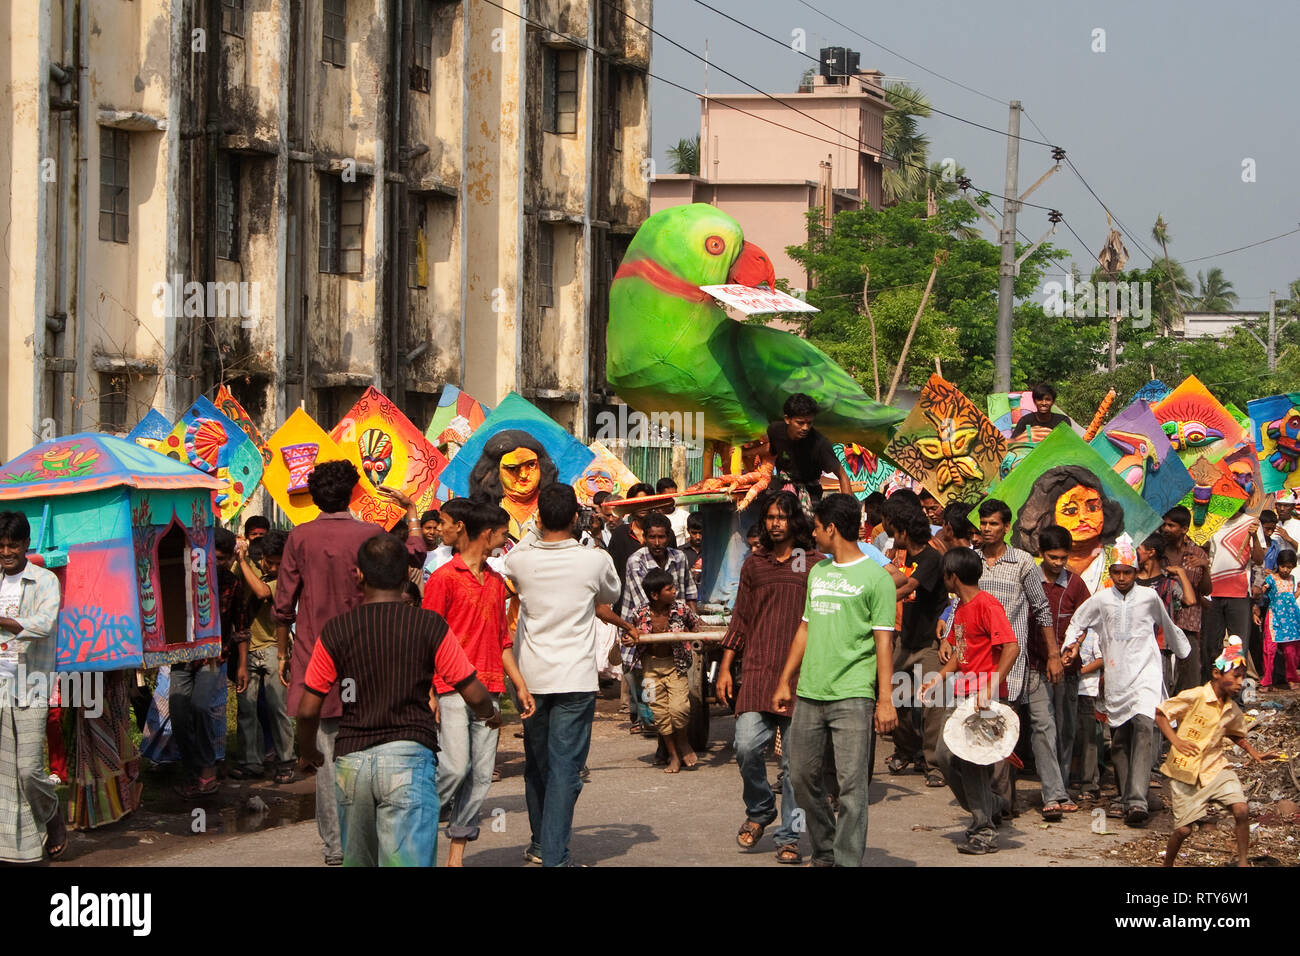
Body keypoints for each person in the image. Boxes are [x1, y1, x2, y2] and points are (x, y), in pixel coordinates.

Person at [296, 535, 498, 867]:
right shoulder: (429, 625)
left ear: (358, 575)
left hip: (352, 762)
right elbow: (471, 689)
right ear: (406, 575)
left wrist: (309, 751)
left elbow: (307, 710)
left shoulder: (335, 630)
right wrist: (489, 714)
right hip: (408, 758)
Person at [274, 460, 425, 866]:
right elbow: (414, 557)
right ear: (354, 493)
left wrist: (283, 653)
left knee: (324, 763)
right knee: (372, 755)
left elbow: (283, 606)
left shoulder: (299, 538)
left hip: (316, 661)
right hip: (371, 659)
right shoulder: (371, 535)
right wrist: (411, 515)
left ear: (315, 497)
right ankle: (373, 844)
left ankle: (336, 850)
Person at [772, 493, 898, 867]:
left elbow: (884, 642)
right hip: (810, 692)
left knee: (852, 787)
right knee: (801, 779)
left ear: (831, 528)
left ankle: (844, 860)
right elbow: (805, 630)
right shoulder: (818, 572)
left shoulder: (877, 579)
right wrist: (785, 680)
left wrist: (885, 699)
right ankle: (824, 847)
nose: (812, 533)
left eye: (816, 526)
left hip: (853, 695)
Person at [503, 484, 621, 867]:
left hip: (530, 680)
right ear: (576, 517)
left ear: (539, 518)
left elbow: (515, 556)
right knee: (564, 770)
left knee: (538, 765)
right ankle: (554, 855)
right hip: (574, 680)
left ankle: (542, 845)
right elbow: (610, 594)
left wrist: (535, 531)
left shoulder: (520, 560)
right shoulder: (595, 560)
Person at [424, 498, 536, 867]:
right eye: (503, 535)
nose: (505, 541)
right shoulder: (443, 579)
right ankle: (411, 815)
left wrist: (519, 684)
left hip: (491, 688)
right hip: (452, 687)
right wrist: (429, 691)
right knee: (455, 767)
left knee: (481, 776)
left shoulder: (494, 582)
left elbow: (502, 640)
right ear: (487, 534)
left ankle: (455, 857)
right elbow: (427, 638)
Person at [718, 491, 823, 865]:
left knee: (795, 768)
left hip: (801, 676)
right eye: (771, 518)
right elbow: (741, 619)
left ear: (796, 522)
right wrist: (725, 668)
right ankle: (761, 809)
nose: (776, 523)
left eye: (783, 517)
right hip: (759, 670)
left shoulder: (812, 564)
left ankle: (790, 834)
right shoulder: (755, 564)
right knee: (746, 747)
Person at [1062, 534, 1190, 828]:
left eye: (1127, 572)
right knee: (1120, 737)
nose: (1121, 577)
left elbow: (1168, 626)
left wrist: (1182, 652)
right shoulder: (1102, 600)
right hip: (1117, 674)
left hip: (1146, 670)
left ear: (1135, 572)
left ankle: (1136, 800)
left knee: (1145, 726)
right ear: (1111, 573)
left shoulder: (1148, 597)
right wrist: (1071, 644)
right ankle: (1126, 794)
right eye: (1116, 572)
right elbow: (1078, 621)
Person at [922, 547, 1021, 854]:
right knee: (945, 756)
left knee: (973, 764)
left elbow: (1011, 648)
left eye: (945, 574)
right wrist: (938, 677)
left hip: (981, 700)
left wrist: (991, 686)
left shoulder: (986, 605)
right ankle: (990, 805)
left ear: (953, 576)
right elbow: (960, 654)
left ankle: (984, 830)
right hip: (961, 694)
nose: (943, 579)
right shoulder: (961, 610)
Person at [1157, 638, 1279, 867]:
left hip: (1215, 767)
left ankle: (1243, 862)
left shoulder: (1232, 709)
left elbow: (1233, 733)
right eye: (1235, 676)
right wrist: (1176, 740)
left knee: (1241, 809)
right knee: (1183, 830)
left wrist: (1254, 753)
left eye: (1242, 677)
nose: (1240, 683)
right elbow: (1162, 714)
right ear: (1216, 673)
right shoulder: (1195, 696)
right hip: (1185, 772)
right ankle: (1168, 864)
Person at [973, 498, 1056, 815]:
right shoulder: (972, 560)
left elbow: (1042, 609)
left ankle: (1000, 804)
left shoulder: (1023, 563)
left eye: (993, 523)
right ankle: (985, 802)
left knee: (1001, 729)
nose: (987, 529)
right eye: (983, 523)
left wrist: (1053, 654)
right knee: (978, 728)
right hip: (977, 659)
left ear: (1006, 528)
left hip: (1010, 662)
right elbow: (961, 603)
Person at [0, 511, 66, 862]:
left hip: (31, 684)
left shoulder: (44, 581)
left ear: (26, 545)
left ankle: (51, 811)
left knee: (28, 770)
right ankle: (17, 846)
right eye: (1, 545)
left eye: (13, 545)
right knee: (4, 774)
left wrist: (3, 621)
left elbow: (43, 624)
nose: (6, 551)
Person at [170, 528, 244, 797]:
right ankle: (193, 772)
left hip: (213, 658)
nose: (219, 563)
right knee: (178, 712)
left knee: (201, 708)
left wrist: (242, 664)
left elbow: (241, 625)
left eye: (224, 558)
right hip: (183, 657)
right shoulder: (186, 578)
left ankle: (207, 770)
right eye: (216, 557)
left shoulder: (232, 584)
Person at [886, 508, 948, 787]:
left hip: (928, 644)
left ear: (905, 533)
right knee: (893, 699)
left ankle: (934, 764)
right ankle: (909, 748)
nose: (891, 535)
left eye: (894, 530)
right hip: (905, 640)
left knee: (933, 705)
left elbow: (909, 585)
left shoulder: (931, 558)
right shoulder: (904, 557)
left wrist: (873, 597)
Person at [1034, 524, 1091, 813]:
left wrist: (1076, 646)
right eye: (1052, 557)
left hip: (1069, 668)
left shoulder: (1076, 584)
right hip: (1036, 666)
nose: (1058, 563)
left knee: (1066, 730)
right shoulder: (1031, 580)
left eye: (1063, 558)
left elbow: (1086, 620)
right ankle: (1053, 791)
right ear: (1041, 553)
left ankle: (1061, 787)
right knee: (1045, 727)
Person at [622, 568, 701, 773]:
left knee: (679, 709)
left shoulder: (681, 610)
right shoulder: (640, 614)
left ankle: (683, 742)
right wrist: (630, 638)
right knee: (659, 713)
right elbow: (628, 636)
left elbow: (697, 627)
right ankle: (673, 755)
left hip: (676, 667)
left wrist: (690, 635)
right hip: (649, 669)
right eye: (670, 588)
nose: (675, 591)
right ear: (655, 595)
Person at [231, 531, 294, 783]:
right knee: (246, 708)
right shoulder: (245, 567)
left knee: (278, 708)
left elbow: (261, 593)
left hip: (272, 648)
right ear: (262, 559)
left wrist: (244, 562)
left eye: (281, 562)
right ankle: (250, 762)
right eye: (271, 562)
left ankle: (286, 760)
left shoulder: (285, 580)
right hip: (247, 648)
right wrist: (241, 558)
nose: (276, 567)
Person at [1011, 465, 1124, 588]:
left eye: (1092, 508)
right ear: (1048, 518)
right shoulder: (1031, 567)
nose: (1083, 517)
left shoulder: (1122, 558)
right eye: (1070, 510)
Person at [1203, 510, 1262, 681]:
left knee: (1237, 646)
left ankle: (1236, 693)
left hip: (1239, 593)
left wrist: (1255, 537)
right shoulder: (1212, 520)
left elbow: (1259, 559)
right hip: (1212, 593)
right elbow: (1204, 550)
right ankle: (1214, 689)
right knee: (1212, 646)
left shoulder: (1252, 523)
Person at [766, 393, 853, 505]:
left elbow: (842, 474)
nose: (805, 428)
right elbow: (769, 452)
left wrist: (847, 512)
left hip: (810, 495)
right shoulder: (774, 431)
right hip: (780, 491)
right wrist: (746, 452)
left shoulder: (820, 444)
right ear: (787, 419)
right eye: (800, 423)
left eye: (809, 423)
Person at [1162, 506, 1212, 691]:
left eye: (1171, 525)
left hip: (1188, 622)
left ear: (1184, 529)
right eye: (1165, 525)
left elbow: (1206, 591)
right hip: (1163, 622)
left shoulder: (1197, 554)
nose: (1166, 529)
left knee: (1189, 674)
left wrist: (1205, 568)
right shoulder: (1158, 553)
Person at [1254, 549, 1300, 690]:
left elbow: (1291, 598)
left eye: (1289, 567)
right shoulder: (1271, 579)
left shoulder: (1292, 579)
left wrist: (1298, 591)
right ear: (1278, 565)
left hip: (1291, 620)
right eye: (1283, 566)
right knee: (1269, 650)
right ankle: (1267, 681)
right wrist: (1260, 590)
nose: (1286, 570)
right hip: (1274, 618)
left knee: (1291, 652)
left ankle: (1292, 679)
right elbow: (1263, 589)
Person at [656, 477, 691, 544]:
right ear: (658, 495)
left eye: (674, 496)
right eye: (668, 497)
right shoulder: (651, 516)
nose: (672, 500)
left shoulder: (684, 516)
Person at [680, 513, 703, 584]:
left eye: (701, 533)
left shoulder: (712, 552)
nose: (698, 537)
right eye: (694, 533)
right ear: (688, 531)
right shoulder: (680, 552)